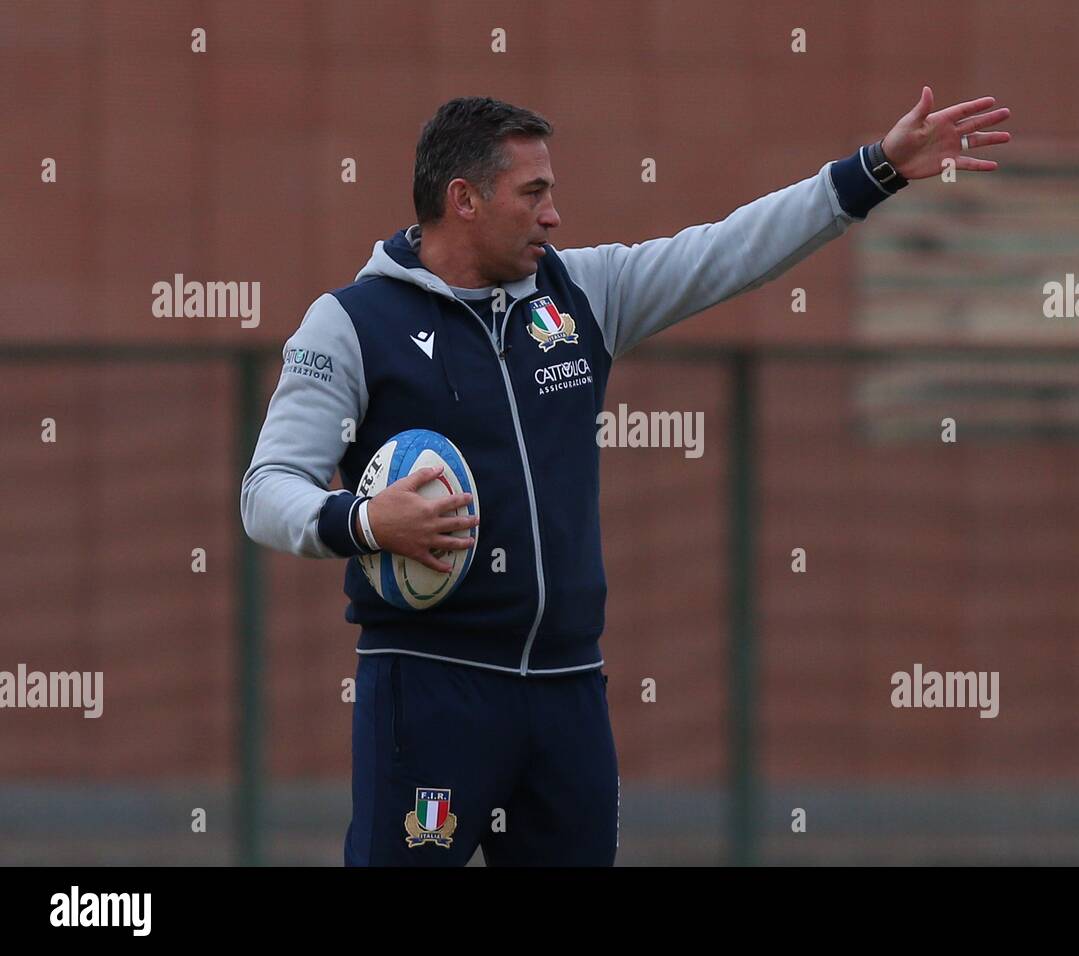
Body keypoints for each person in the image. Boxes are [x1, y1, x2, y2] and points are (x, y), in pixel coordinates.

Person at [240, 91, 1011, 866]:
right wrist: (368, 522)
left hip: (567, 691)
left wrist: (874, 171)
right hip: (431, 691)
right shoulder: (349, 324)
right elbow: (267, 489)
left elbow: (728, 251)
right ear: (463, 200)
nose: (553, 216)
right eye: (533, 193)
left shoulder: (581, 295)